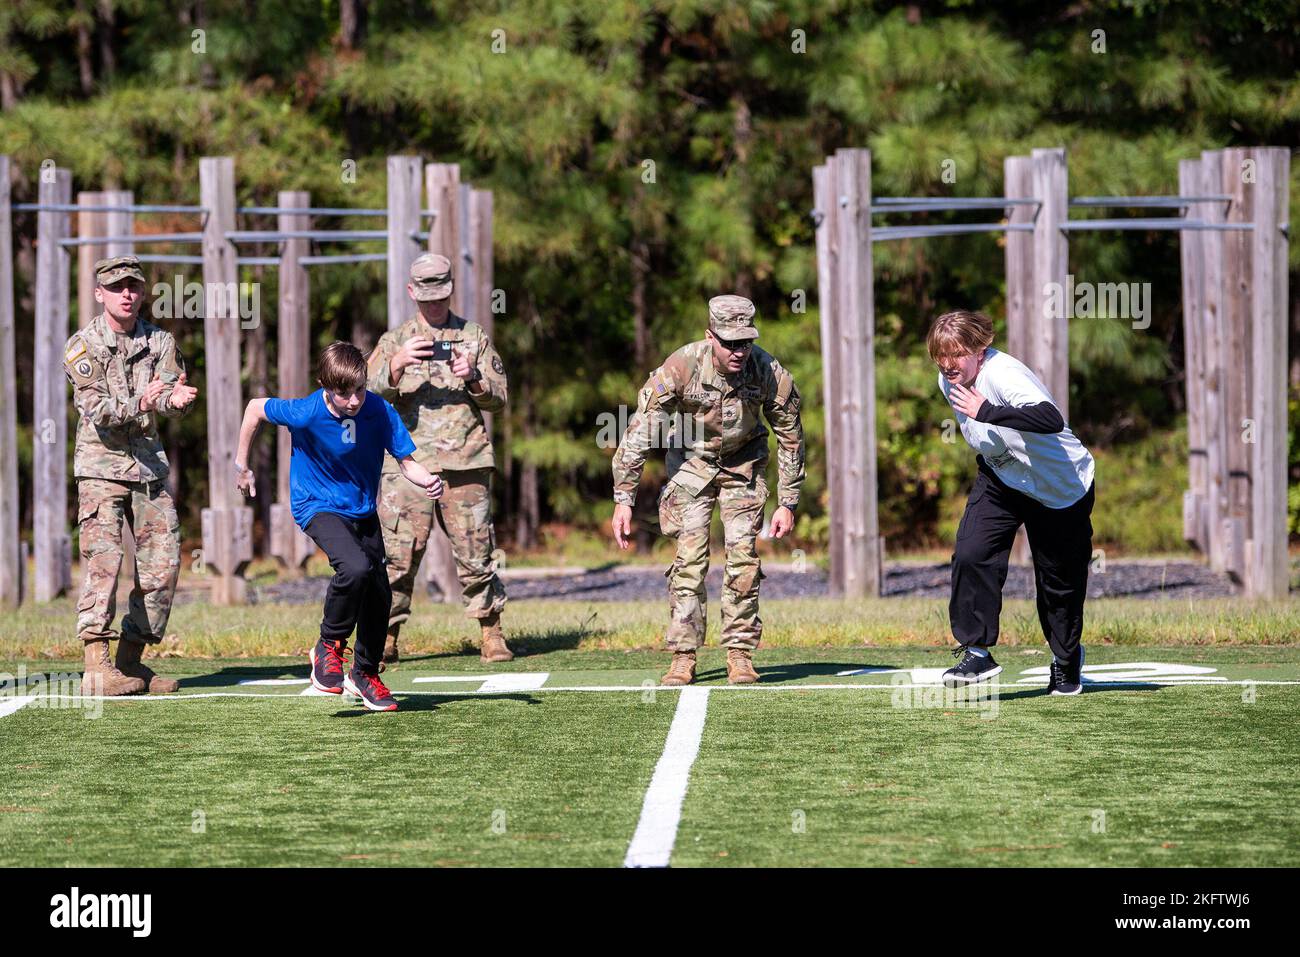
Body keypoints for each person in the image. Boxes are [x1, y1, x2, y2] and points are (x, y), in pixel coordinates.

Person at [235, 342, 443, 711]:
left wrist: (427, 480)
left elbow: (406, 461)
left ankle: (364, 674)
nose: (354, 400)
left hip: (361, 510)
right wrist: (242, 466)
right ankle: (328, 646)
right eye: (343, 393)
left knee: (380, 591)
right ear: (325, 385)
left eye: (360, 389)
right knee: (355, 567)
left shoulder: (379, 409)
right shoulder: (306, 411)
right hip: (315, 505)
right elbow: (254, 410)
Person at [611, 295, 805, 686]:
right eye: (729, 342)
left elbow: (791, 437)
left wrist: (788, 502)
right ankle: (683, 656)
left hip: (743, 465)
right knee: (689, 562)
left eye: (744, 342)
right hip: (690, 466)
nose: (738, 351)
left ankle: (739, 654)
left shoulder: (767, 371)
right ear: (709, 336)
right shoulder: (681, 367)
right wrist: (623, 498)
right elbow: (640, 433)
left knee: (743, 561)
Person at [929, 309, 1096, 696]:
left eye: (956, 354)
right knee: (972, 552)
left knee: (1060, 584)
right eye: (940, 355)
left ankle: (1066, 658)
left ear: (980, 349)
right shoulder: (947, 379)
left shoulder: (1004, 374)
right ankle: (977, 650)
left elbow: (1050, 418)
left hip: (1060, 487)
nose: (947, 365)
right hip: (1002, 476)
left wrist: (988, 411)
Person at [366, 253, 511, 665]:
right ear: (412, 292)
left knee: (477, 551)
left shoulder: (474, 337)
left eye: (440, 296)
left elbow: (499, 398)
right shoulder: (394, 341)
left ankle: (491, 632)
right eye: (425, 297)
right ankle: (385, 636)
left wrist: (473, 377)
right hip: (407, 466)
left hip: (465, 462)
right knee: (397, 553)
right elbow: (362, 399)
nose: (433, 305)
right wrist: (395, 366)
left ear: (450, 291)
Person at [64, 255, 199, 697]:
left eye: (134, 286)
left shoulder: (159, 341)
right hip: (100, 468)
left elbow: (167, 391)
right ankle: (96, 666)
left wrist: (175, 402)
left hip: (147, 468)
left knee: (164, 563)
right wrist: (144, 402)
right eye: (117, 286)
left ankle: (129, 662)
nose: (127, 294)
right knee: (104, 564)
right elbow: (97, 411)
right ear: (99, 293)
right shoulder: (82, 346)